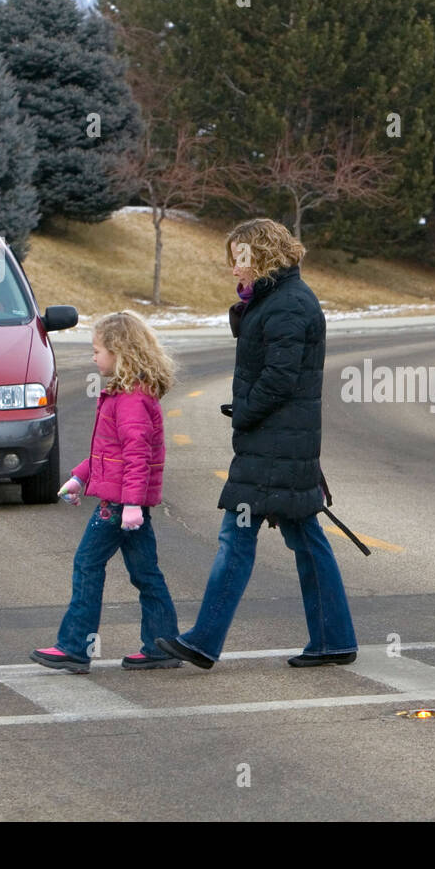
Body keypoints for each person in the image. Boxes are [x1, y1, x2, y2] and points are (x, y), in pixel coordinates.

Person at [156, 218, 358, 669]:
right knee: (305, 537)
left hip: (276, 443)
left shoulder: (288, 304)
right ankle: (333, 640)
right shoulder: (281, 299)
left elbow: (280, 377)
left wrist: (244, 411)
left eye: (238, 260)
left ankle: (204, 642)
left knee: (237, 536)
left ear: (261, 256)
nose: (233, 271)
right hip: (282, 442)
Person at [31, 311, 184, 672]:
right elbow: (108, 453)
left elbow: (136, 456)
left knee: (87, 564)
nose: (93, 356)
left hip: (118, 506)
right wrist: (81, 478)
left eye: (98, 350)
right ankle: (163, 644)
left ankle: (74, 646)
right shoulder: (123, 394)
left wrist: (131, 503)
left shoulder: (131, 400)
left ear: (119, 351)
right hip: (125, 503)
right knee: (146, 573)